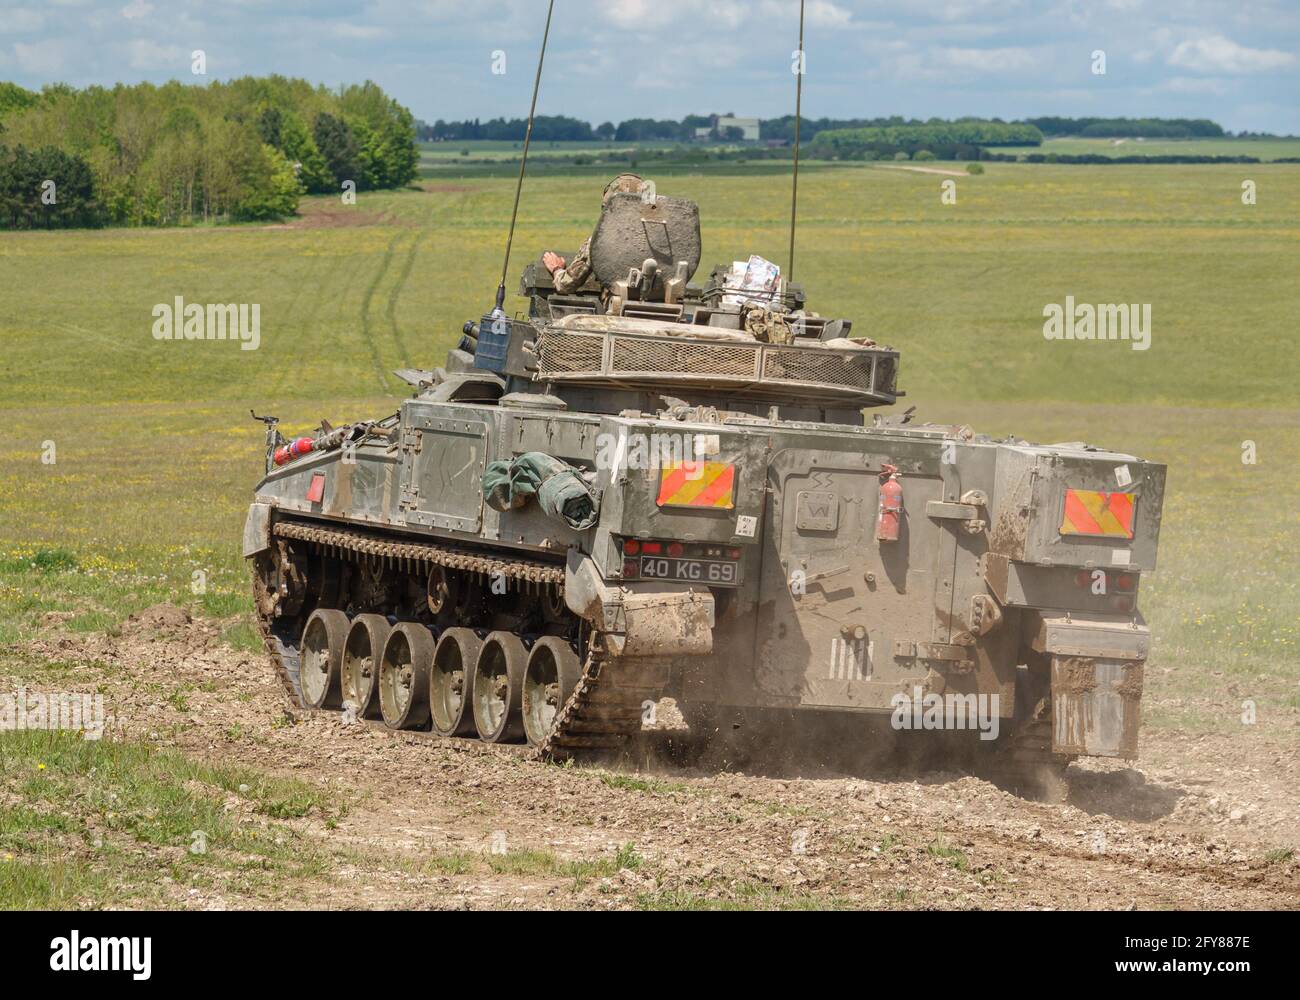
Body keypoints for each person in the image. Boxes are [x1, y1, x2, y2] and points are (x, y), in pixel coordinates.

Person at [542, 173, 648, 294]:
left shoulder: (601, 240)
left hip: (619, 310)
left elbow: (566, 285)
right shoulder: (663, 237)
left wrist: (557, 269)